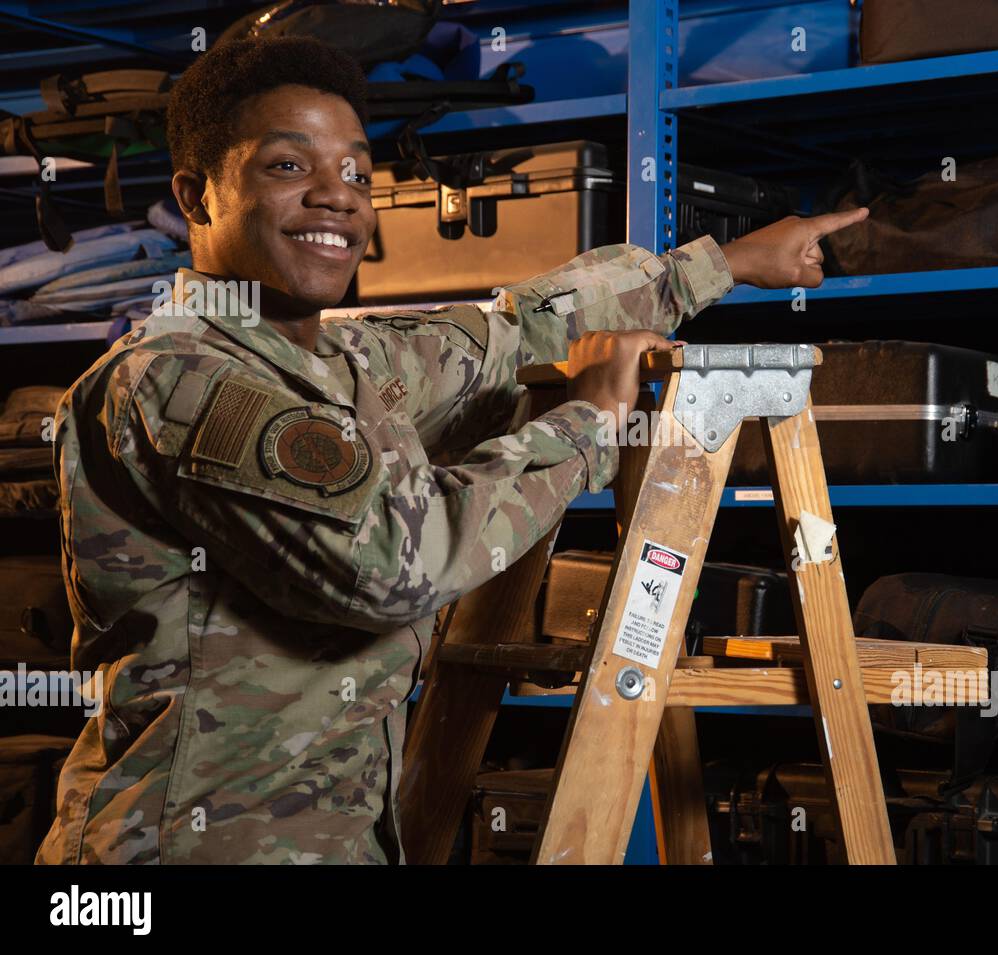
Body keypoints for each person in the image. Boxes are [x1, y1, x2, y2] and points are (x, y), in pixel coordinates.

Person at [35, 35, 868, 864]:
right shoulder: (177, 379)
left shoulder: (348, 363)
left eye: (357, 172)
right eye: (288, 167)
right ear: (196, 195)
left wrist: (722, 263)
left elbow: (520, 326)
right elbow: (395, 560)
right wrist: (587, 421)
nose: (337, 198)